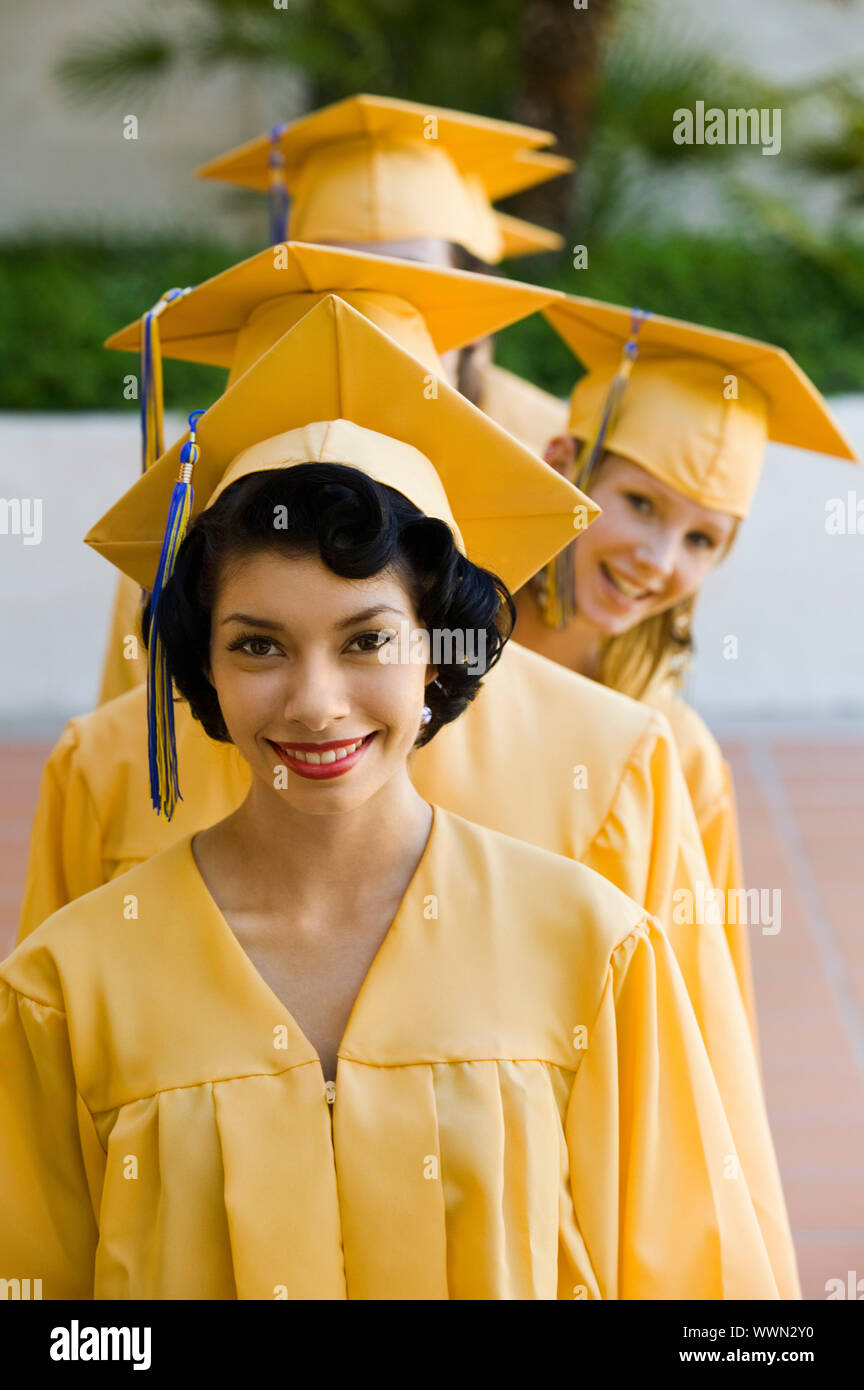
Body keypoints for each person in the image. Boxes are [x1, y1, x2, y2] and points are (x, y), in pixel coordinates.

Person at [19, 262, 801, 1297]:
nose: (316, 703)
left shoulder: (596, 937)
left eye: (368, 640)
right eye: (257, 645)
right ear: (198, 658)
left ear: (442, 651)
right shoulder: (68, 980)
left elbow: (696, 1259)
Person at [515, 295, 859, 1044]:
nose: (660, 560)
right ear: (561, 466)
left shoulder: (671, 751)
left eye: (703, 540)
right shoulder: (439, 653)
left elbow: (700, 1011)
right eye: (639, 503)